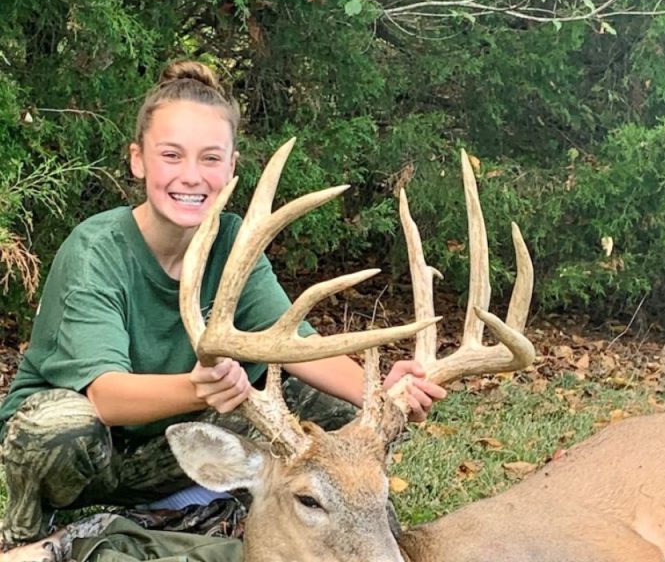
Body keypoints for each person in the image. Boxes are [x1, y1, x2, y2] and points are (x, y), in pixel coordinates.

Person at [0, 59, 445, 555]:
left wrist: (381, 399)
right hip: (89, 458)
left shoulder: (234, 243)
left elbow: (298, 347)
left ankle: (221, 511)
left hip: (175, 449)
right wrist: (198, 388)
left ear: (232, 167)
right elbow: (106, 398)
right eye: (171, 155)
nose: (191, 176)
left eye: (210, 159)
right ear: (138, 160)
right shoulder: (95, 250)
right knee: (60, 425)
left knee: (336, 416)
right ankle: (26, 532)